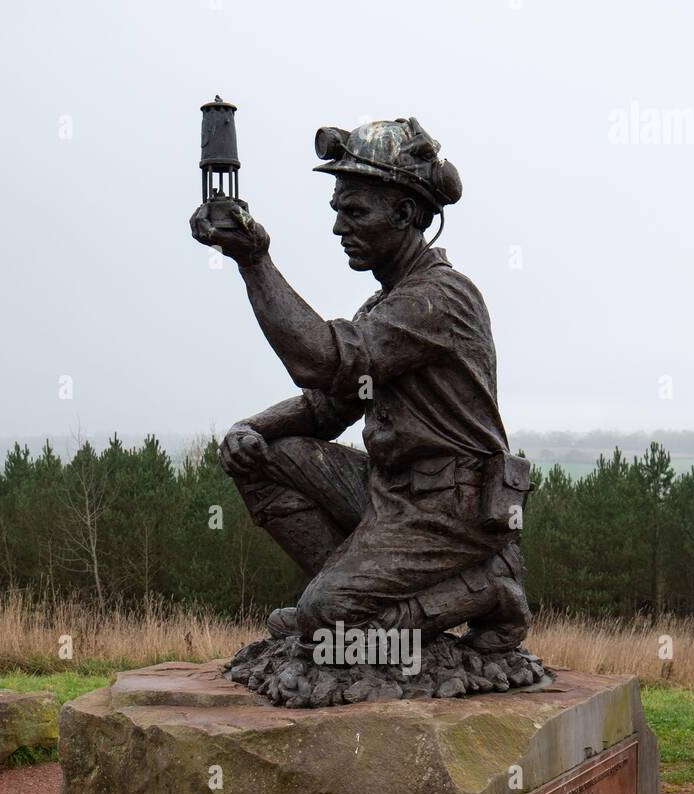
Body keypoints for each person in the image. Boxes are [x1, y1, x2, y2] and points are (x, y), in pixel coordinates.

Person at [190, 115, 532, 654]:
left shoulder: (437, 300)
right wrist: (251, 428)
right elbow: (330, 405)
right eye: (338, 212)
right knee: (262, 456)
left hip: (449, 510)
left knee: (332, 629)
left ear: (403, 213)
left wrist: (254, 260)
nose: (338, 228)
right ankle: (335, 599)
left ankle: (484, 590)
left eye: (354, 212)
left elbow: (323, 362)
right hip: (389, 495)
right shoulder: (386, 304)